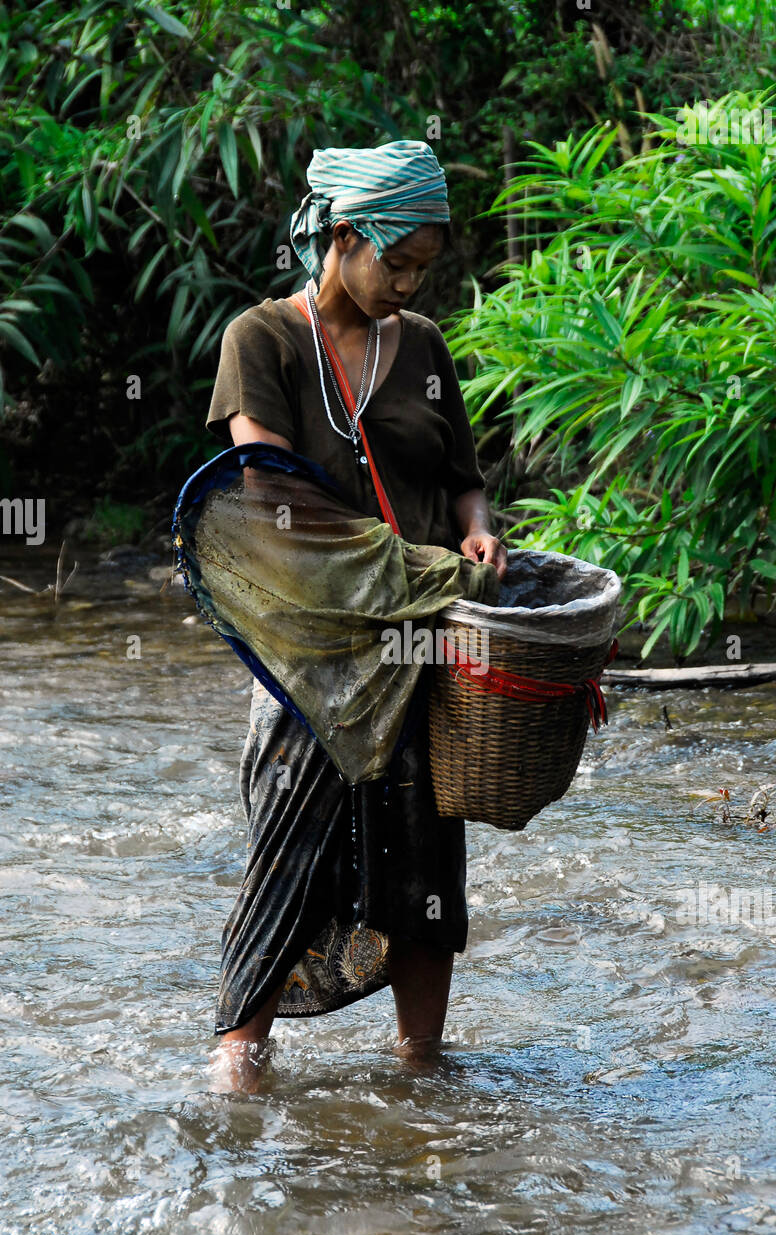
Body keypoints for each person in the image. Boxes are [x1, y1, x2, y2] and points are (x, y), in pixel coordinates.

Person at [203, 140, 507, 1092]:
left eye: (424, 266)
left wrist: (478, 537)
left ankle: (421, 1069)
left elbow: (463, 482)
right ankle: (240, 1066)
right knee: (288, 859)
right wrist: (411, 566)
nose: (409, 283)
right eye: (398, 261)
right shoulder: (264, 339)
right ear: (342, 237)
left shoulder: (420, 348)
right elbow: (268, 490)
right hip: (308, 657)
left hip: (422, 647)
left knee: (423, 869)